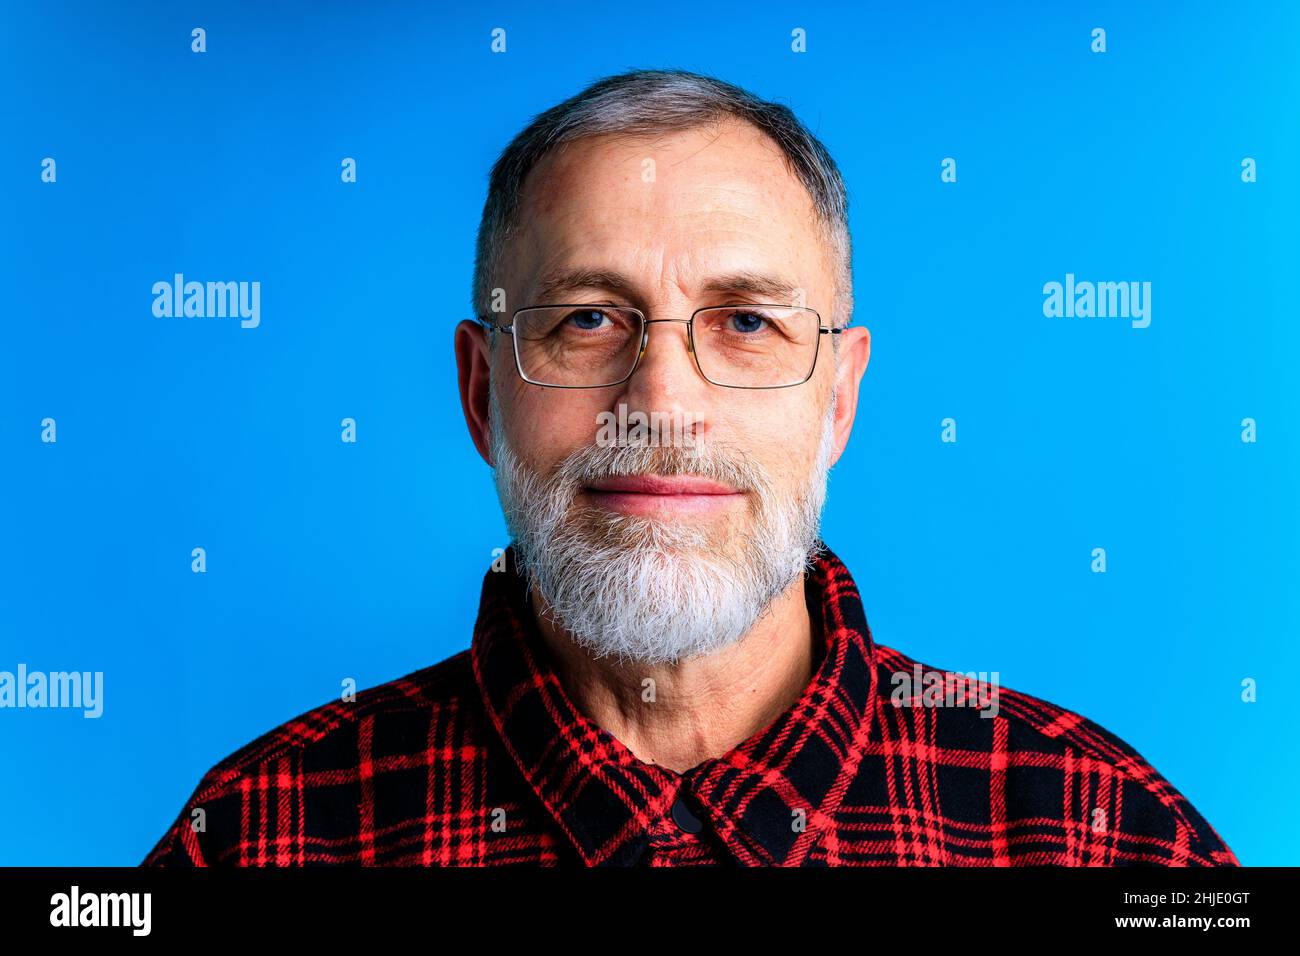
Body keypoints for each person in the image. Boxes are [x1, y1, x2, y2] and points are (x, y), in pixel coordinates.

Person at [143, 70, 1237, 867]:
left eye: (747, 321)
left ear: (838, 399)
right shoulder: (256, 835)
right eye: (585, 319)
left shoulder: (1104, 836)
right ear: (482, 393)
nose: (661, 403)